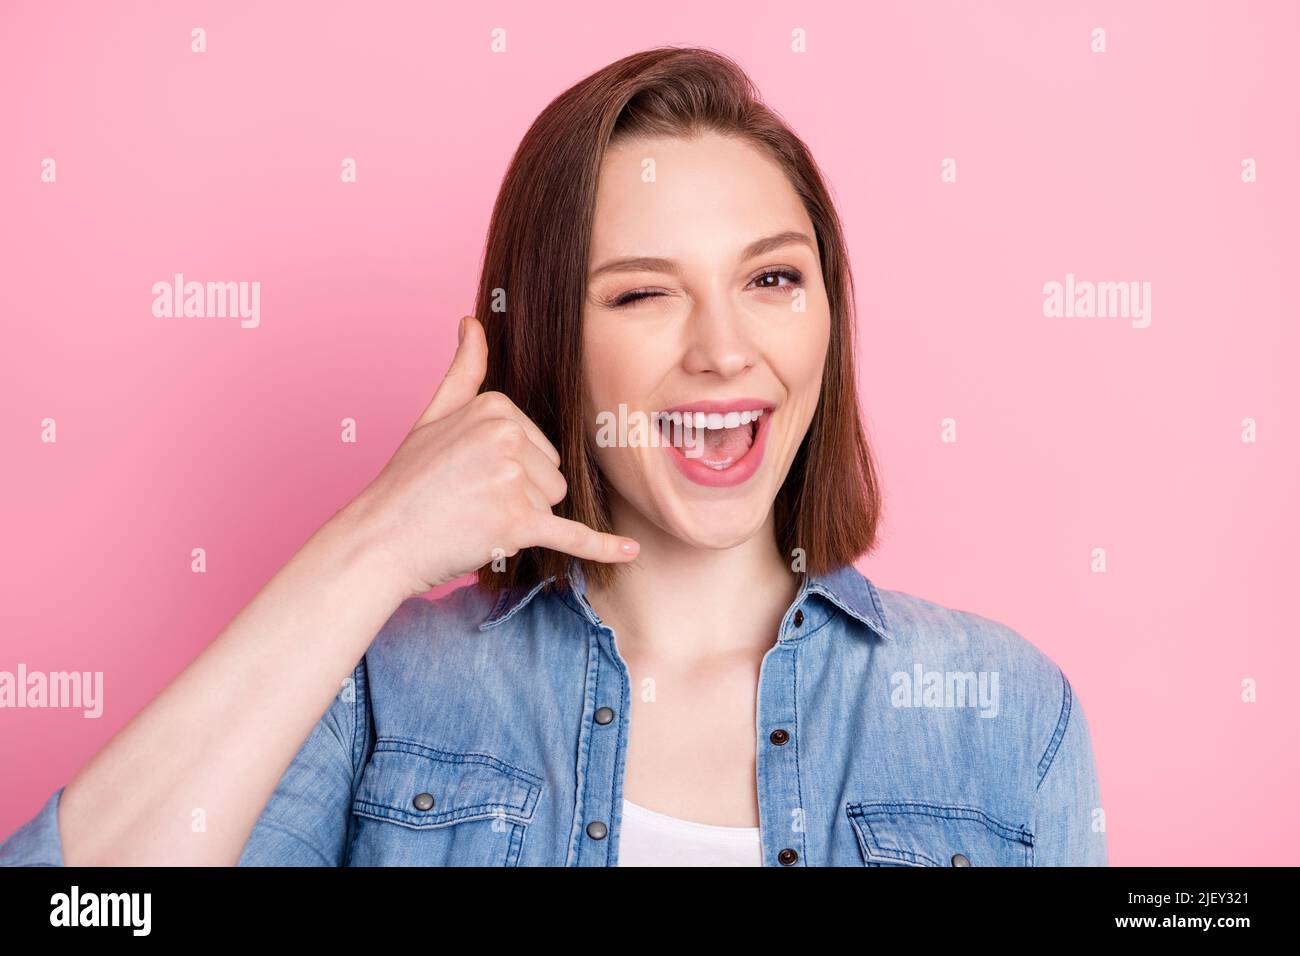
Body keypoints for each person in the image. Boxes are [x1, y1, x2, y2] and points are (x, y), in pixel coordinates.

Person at [0, 45, 1106, 867]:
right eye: (640, 291)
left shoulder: (1004, 713)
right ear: (548, 340)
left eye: (770, 278)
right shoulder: (388, 692)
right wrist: (372, 543)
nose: (725, 351)